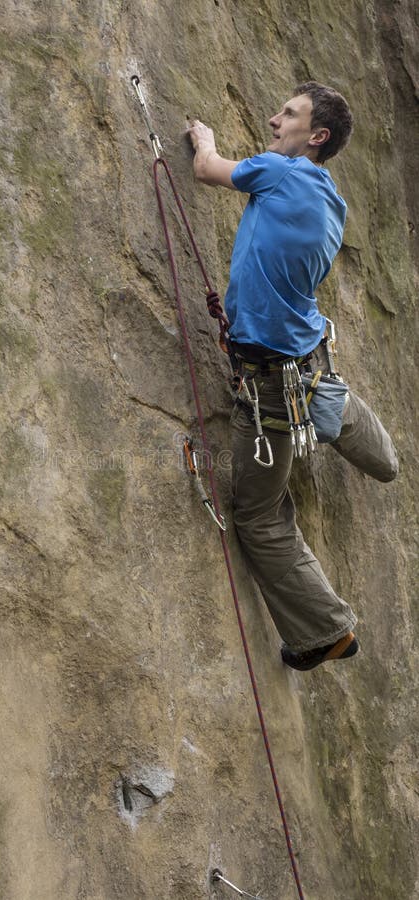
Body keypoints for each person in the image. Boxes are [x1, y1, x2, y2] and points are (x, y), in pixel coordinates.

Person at [187, 82, 398, 671]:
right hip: (303, 354)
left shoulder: (278, 172)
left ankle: (325, 632)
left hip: (270, 381)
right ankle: (376, 451)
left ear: (317, 136)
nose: (274, 119)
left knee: (258, 515)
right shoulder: (331, 199)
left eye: (290, 114)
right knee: (315, 396)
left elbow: (207, 168)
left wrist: (202, 136)